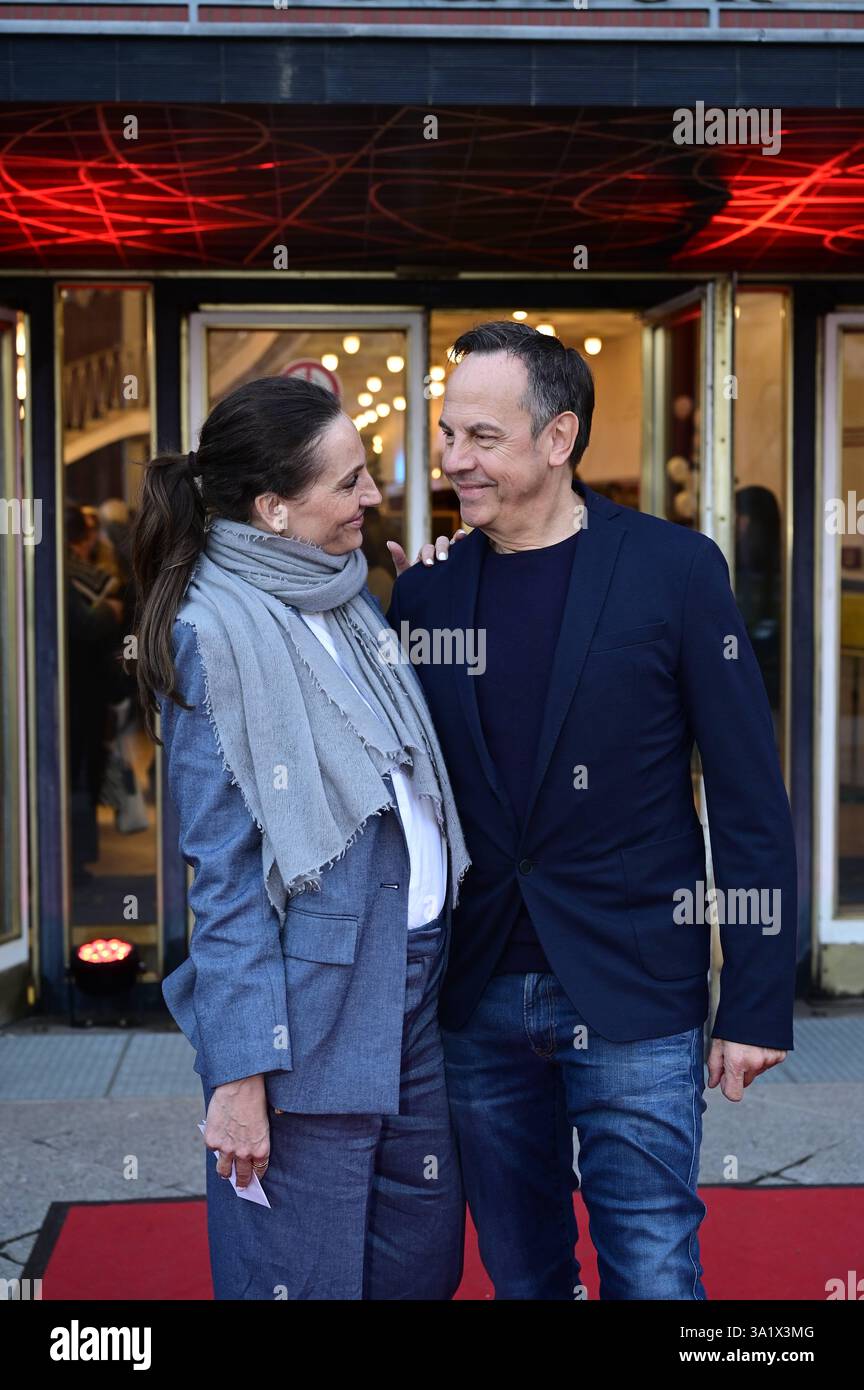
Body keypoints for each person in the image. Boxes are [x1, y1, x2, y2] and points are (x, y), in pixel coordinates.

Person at [387, 320, 797, 1300]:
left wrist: (755, 999)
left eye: (481, 436)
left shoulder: (675, 570)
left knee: (654, 1270)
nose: (453, 459)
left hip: (634, 992)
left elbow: (747, 797)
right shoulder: (425, 596)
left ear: (559, 437)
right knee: (525, 1277)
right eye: (448, 435)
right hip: (475, 994)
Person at [132, 375, 471, 1300]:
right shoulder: (214, 633)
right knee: (305, 1280)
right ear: (274, 508)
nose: (373, 495)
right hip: (311, 1026)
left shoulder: (346, 599)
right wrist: (238, 1077)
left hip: (419, 990)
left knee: (421, 1270)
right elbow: (226, 880)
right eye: (350, 480)